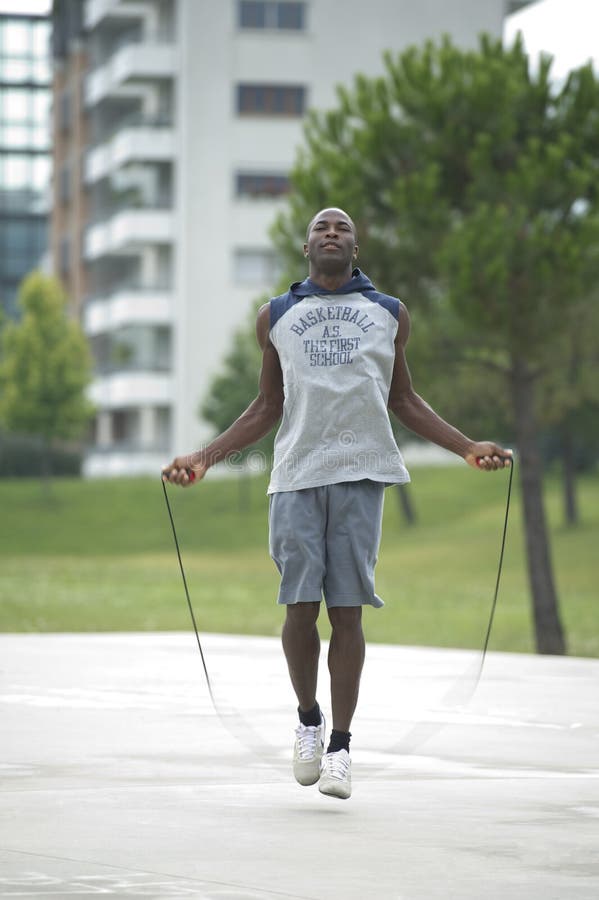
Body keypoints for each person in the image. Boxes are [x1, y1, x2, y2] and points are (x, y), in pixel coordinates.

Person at [162, 207, 512, 800]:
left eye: (342, 228)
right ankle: (307, 721)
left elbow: (404, 399)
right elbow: (265, 407)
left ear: (356, 248)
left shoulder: (389, 314)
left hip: (361, 474)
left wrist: (465, 447)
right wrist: (204, 457)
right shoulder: (277, 316)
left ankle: (343, 747)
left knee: (347, 611)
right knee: (300, 608)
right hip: (296, 476)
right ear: (306, 247)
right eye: (322, 227)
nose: (332, 233)